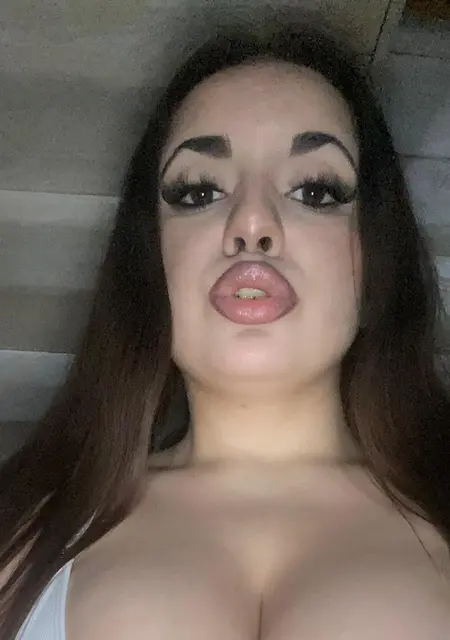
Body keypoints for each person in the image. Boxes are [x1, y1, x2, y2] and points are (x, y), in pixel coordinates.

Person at [1, 18, 449, 640]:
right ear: (150, 259)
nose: (252, 223)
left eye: (315, 191)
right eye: (198, 192)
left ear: (377, 253)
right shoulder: (19, 535)